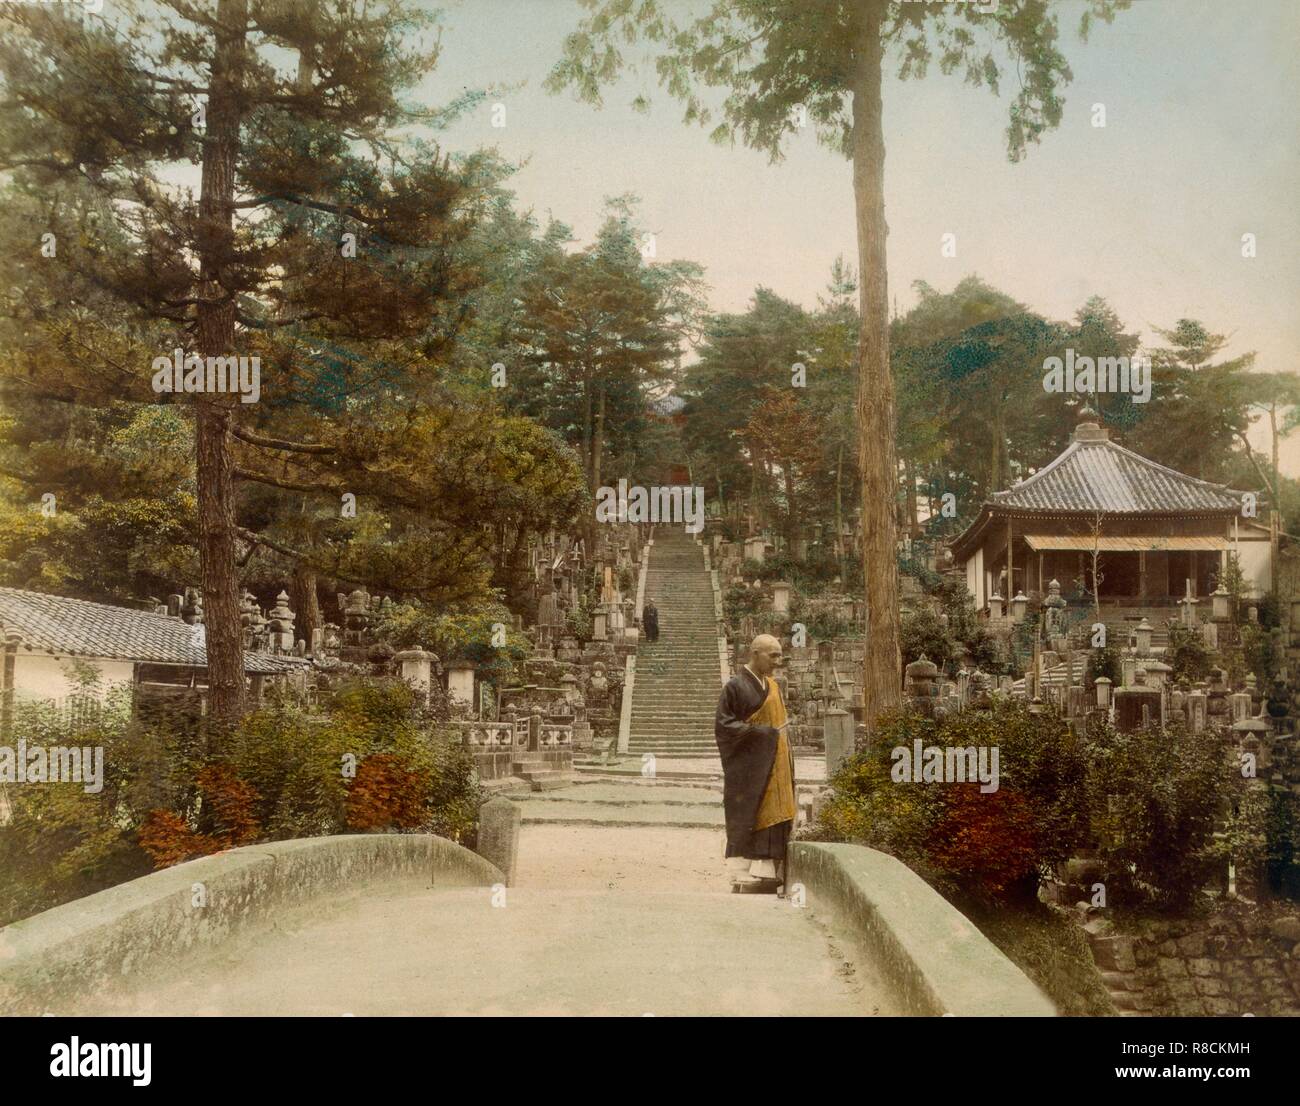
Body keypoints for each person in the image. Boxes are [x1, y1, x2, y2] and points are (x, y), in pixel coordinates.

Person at [713, 633, 795, 894]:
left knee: (772, 809)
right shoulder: (735, 687)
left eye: (779, 655)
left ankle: (766, 870)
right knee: (745, 810)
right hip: (746, 766)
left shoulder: (772, 686)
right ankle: (740, 871)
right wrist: (761, 733)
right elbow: (724, 726)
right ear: (755, 653)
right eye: (773, 655)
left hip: (773, 762)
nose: (778, 661)